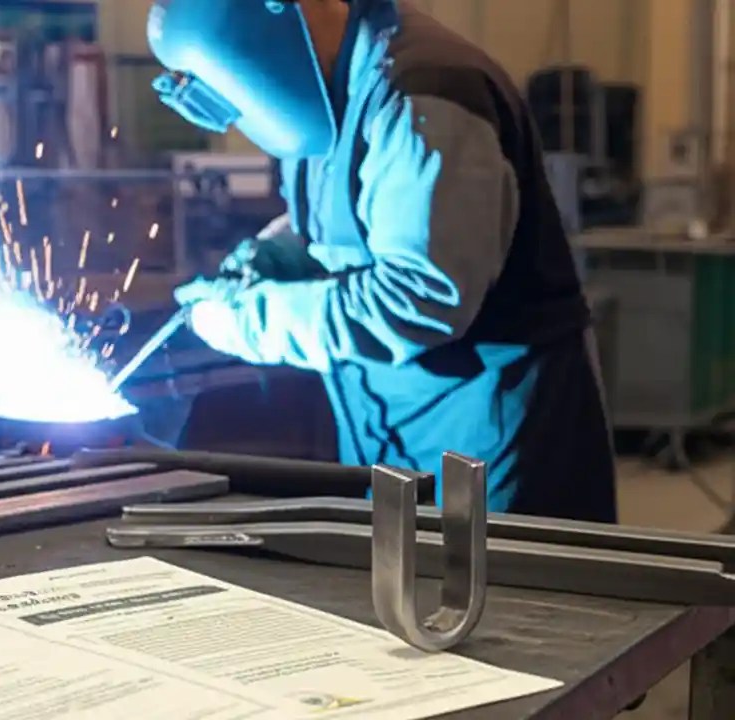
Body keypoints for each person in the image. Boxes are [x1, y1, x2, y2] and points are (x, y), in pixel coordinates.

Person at [147, 0, 617, 522]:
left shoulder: (425, 95)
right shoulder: (327, 86)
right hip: (394, 428)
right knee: (403, 595)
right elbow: (344, 224)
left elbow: (418, 297)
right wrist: (276, 256)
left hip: (490, 438)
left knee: (505, 597)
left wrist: (251, 321)